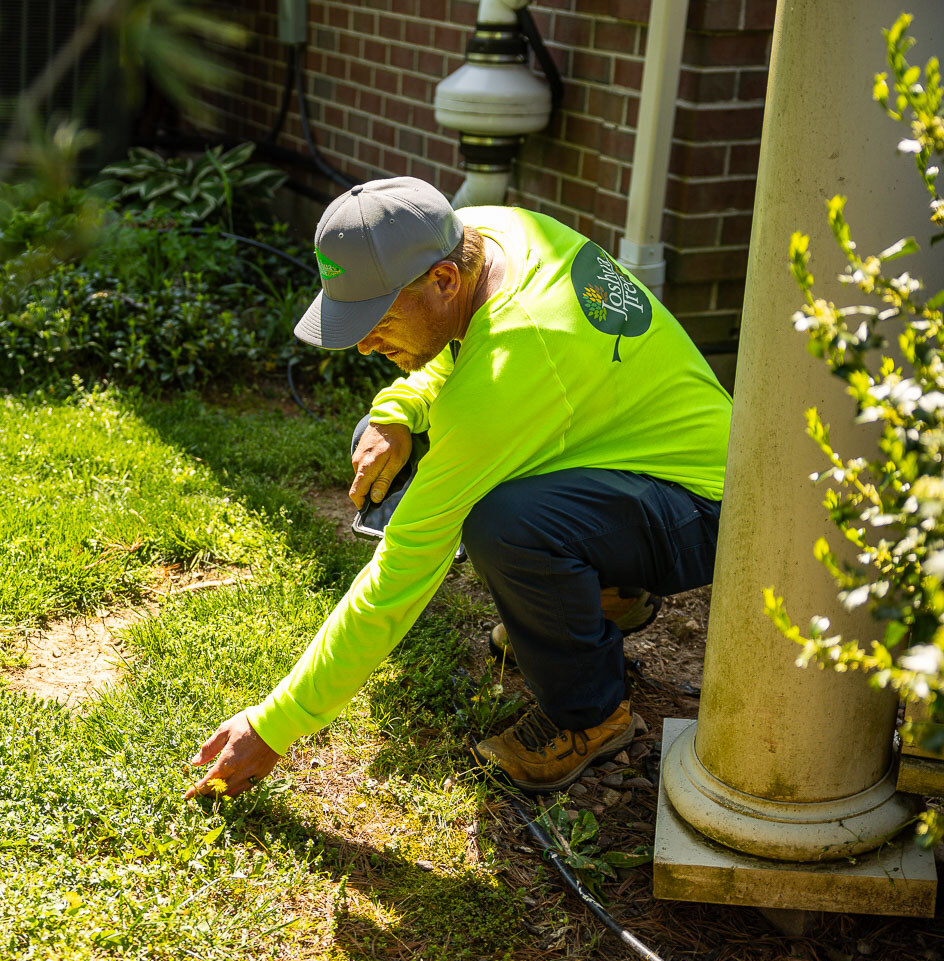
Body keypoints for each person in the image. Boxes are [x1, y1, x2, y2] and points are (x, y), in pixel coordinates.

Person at [184, 176, 731, 797]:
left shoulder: (509, 369)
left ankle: (591, 714)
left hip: (705, 510)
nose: (364, 344)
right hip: (621, 454)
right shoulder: (484, 230)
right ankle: (600, 597)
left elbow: (400, 576)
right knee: (394, 429)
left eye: (377, 320)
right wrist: (396, 410)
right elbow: (454, 350)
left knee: (504, 524)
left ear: (444, 280)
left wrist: (275, 725)